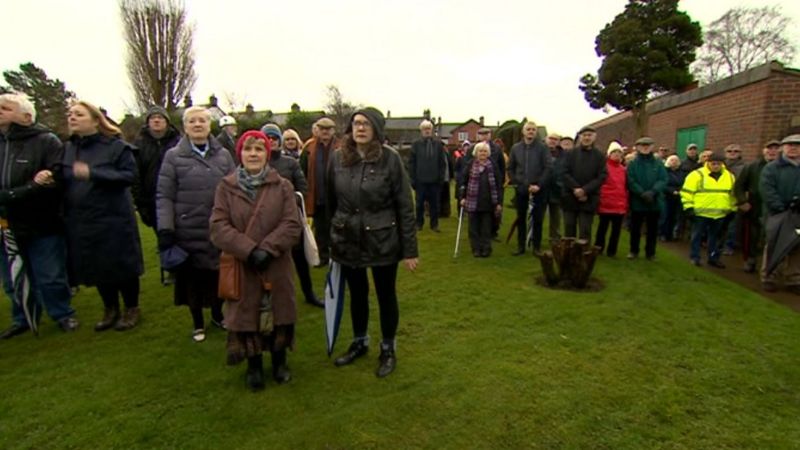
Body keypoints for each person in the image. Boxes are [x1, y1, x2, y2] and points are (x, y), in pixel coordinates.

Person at [328, 107, 417, 378]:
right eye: (356, 123)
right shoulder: (337, 159)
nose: (360, 128)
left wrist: (409, 250)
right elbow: (330, 204)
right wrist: (329, 241)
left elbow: (405, 205)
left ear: (376, 129)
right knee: (357, 294)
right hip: (348, 240)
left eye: (366, 124)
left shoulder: (390, 159)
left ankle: (388, 348)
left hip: (383, 240)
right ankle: (359, 341)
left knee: (385, 294)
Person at [210, 130, 303, 391]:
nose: (253, 154)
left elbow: (291, 223)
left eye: (258, 149)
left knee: (279, 315)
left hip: (276, 264)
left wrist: (268, 249)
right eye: (248, 149)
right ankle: (253, 367)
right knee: (247, 316)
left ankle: (280, 362)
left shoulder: (282, 185)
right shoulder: (226, 187)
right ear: (240, 153)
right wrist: (249, 250)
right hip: (243, 265)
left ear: (267, 153)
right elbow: (218, 226)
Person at [0, 93, 78, 338]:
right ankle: (22, 316)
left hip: (42, 221)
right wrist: (25, 189)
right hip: (5, 224)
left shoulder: (46, 141)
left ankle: (62, 313)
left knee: (50, 274)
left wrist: (22, 192)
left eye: (5, 108)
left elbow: (54, 180)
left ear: (25, 116)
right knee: (13, 276)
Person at [62, 100, 144, 331]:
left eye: (78, 114)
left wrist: (93, 173)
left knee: (122, 264)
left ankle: (131, 308)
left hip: (114, 217)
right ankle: (110, 309)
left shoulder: (115, 146)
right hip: (83, 219)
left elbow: (129, 176)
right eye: (70, 114)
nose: (72, 117)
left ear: (96, 120)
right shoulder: (68, 148)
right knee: (97, 264)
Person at [157, 106, 235, 342]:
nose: (198, 125)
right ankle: (197, 323)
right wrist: (166, 228)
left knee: (217, 276)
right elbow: (164, 195)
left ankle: (217, 315)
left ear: (210, 125)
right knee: (192, 279)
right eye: (192, 121)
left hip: (217, 227)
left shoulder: (223, 155)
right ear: (185, 127)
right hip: (187, 229)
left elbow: (235, 188)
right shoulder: (173, 156)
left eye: (202, 120)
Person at [261, 123, 323, 308]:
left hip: (290, 220)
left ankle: (309, 294)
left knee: (300, 261)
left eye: (274, 138)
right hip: (265, 223)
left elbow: (302, 189)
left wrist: (285, 204)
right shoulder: (257, 163)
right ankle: (269, 298)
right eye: (268, 138)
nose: (271, 142)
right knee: (269, 264)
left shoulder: (291, 163)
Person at [758, 135, 800, 293]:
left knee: (797, 246)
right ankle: (769, 276)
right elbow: (766, 189)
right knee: (774, 244)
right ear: (783, 148)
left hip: (798, 215)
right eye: (789, 145)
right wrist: (779, 207)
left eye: (797, 145)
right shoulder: (772, 168)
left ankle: (794, 278)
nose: (793, 148)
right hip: (777, 214)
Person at [681, 152, 736, 268]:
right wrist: (689, 208)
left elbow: (732, 195)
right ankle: (695, 257)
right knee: (697, 236)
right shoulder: (696, 175)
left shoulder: (730, 176)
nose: (716, 166)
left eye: (718, 164)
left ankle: (713, 258)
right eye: (713, 163)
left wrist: (733, 209)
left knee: (715, 238)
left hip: (720, 214)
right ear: (708, 163)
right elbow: (686, 193)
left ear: (722, 164)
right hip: (700, 213)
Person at [132, 106, 181, 236]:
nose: (156, 120)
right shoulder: (139, 145)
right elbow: (136, 176)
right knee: (163, 239)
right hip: (151, 201)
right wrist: (141, 205)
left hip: (178, 199)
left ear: (167, 122)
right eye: (153, 118)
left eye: (160, 117)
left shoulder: (179, 143)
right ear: (148, 123)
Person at [735, 140, 780, 273]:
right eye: (769, 148)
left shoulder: (785, 167)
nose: (772, 151)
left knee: (774, 238)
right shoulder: (752, 167)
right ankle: (750, 260)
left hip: (777, 208)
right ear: (763, 151)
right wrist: (743, 201)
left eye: (776, 148)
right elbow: (739, 186)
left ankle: (771, 267)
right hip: (755, 207)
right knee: (752, 236)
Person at [507, 120, 551, 255]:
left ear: (536, 132)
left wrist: (539, 185)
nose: (531, 132)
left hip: (539, 189)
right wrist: (518, 183)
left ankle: (536, 247)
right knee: (521, 219)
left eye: (533, 129)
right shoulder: (516, 148)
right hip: (521, 189)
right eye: (528, 129)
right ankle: (521, 247)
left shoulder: (543, 148)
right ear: (523, 131)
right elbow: (510, 168)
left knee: (537, 219)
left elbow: (548, 168)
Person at [300, 117, 339, 265]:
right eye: (322, 129)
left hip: (336, 196)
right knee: (321, 229)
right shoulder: (309, 147)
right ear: (318, 130)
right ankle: (323, 257)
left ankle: (336, 256)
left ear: (333, 131)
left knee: (335, 227)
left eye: (328, 129)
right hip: (317, 195)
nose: (325, 132)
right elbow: (302, 170)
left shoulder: (341, 146)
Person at [561, 126, 607, 241]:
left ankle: (583, 256)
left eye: (589, 135)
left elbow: (602, 176)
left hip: (589, 198)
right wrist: (576, 189)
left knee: (585, 230)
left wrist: (585, 190)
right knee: (569, 228)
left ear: (594, 137)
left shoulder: (600, 156)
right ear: (580, 137)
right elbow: (564, 172)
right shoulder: (570, 154)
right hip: (570, 196)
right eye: (584, 135)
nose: (587, 138)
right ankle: (568, 256)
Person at [626, 137, 668, 260]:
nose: (645, 147)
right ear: (637, 147)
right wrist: (641, 193)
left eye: (647, 145)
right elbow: (630, 180)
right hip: (638, 201)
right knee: (635, 228)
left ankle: (650, 253)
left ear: (652, 147)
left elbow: (663, 179)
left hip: (654, 201)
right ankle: (633, 251)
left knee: (652, 230)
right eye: (642, 145)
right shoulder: (633, 164)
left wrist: (653, 192)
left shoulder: (658, 163)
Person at [459, 142, 502, 257]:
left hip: (488, 202)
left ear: (488, 153)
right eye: (480, 151)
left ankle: (486, 248)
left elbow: (498, 185)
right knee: (473, 228)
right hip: (473, 201)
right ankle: (476, 249)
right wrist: (462, 197)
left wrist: (498, 202)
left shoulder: (492, 166)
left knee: (486, 228)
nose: (482, 153)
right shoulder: (470, 165)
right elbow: (463, 182)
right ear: (476, 153)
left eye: (485, 151)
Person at [409, 120, 446, 232]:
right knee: (419, 205)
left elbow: (442, 163)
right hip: (420, 180)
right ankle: (419, 224)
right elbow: (412, 163)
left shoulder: (438, 145)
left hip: (434, 181)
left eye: (429, 129)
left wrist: (441, 178)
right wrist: (413, 179)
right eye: (425, 129)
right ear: (421, 131)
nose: (427, 131)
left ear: (432, 131)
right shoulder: (416, 145)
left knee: (435, 205)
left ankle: (434, 225)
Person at [594, 142, 627, 257]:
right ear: (609, 154)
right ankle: (598, 249)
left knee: (616, 230)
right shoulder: (604, 167)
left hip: (619, 204)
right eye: (615, 152)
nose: (617, 155)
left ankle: (612, 251)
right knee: (602, 228)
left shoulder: (623, 169)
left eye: (619, 153)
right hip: (606, 202)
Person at [660, 155, 684, 241]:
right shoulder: (664, 172)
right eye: (672, 160)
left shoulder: (681, 172)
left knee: (674, 217)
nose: (674, 162)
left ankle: (670, 234)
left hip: (678, 197)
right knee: (665, 216)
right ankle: (663, 234)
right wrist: (672, 191)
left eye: (676, 160)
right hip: (666, 196)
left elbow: (683, 183)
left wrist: (680, 190)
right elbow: (662, 184)